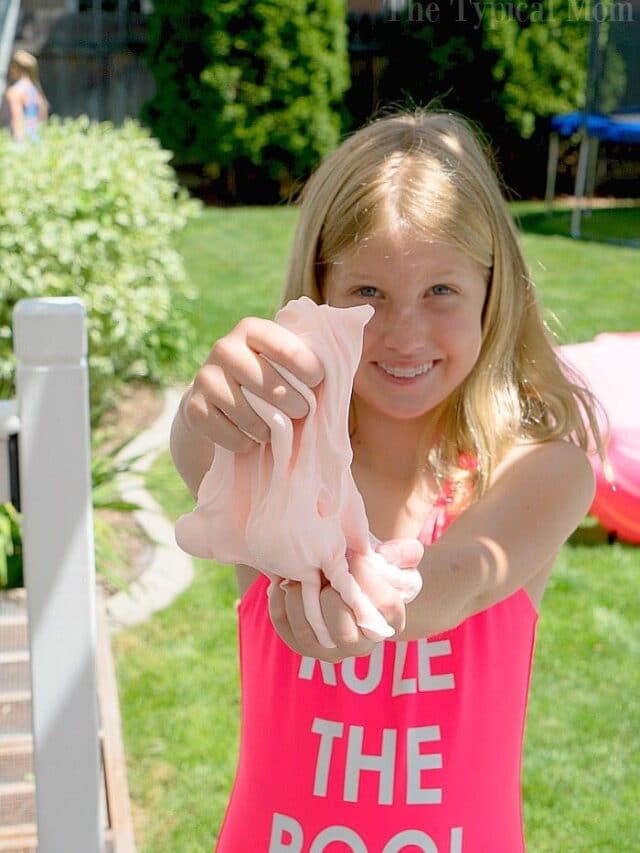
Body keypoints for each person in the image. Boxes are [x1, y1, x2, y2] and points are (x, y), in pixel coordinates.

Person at [170, 109, 603, 852]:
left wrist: (377, 596)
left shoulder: (541, 469)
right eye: (367, 292)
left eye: (441, 290)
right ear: (320, 290)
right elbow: (197, 446)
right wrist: (206, 401)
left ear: (493, 294)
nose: (403, 333)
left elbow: (461, 576)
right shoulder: (277, 458)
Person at [4, 50, 48, 142]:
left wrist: (18, 142)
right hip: (37, 140)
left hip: (22, 141)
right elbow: (43, 119)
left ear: (15, 67)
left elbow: (16, 119)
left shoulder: (15, 92)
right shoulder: (37, 91)